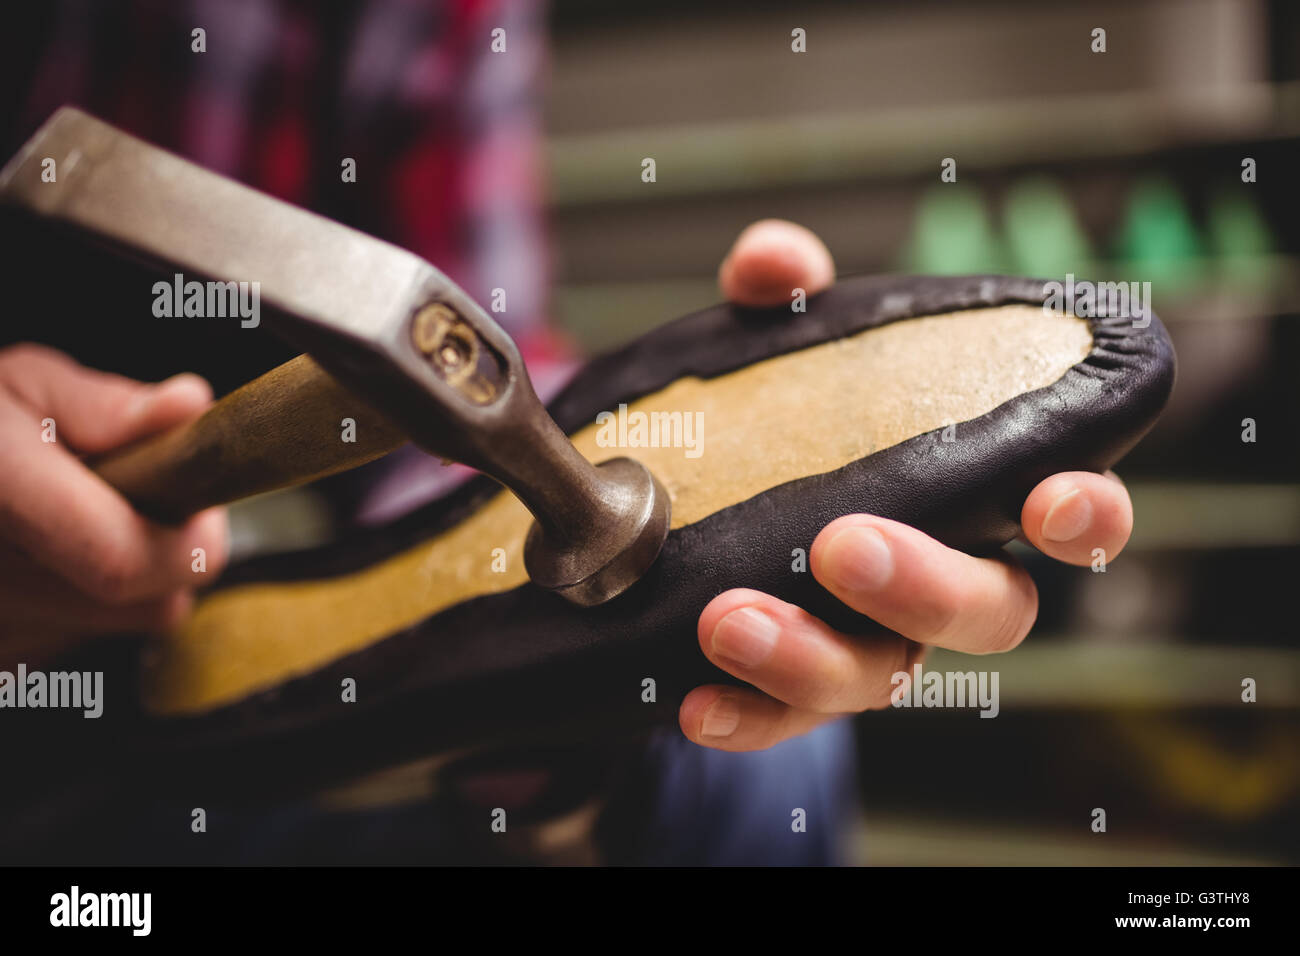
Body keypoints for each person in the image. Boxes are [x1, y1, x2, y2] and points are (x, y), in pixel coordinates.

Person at [0, 1, 1133, 865]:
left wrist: (540, 677)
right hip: (88, 711)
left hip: (201, 594)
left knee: (738, 756)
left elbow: (473, 370)